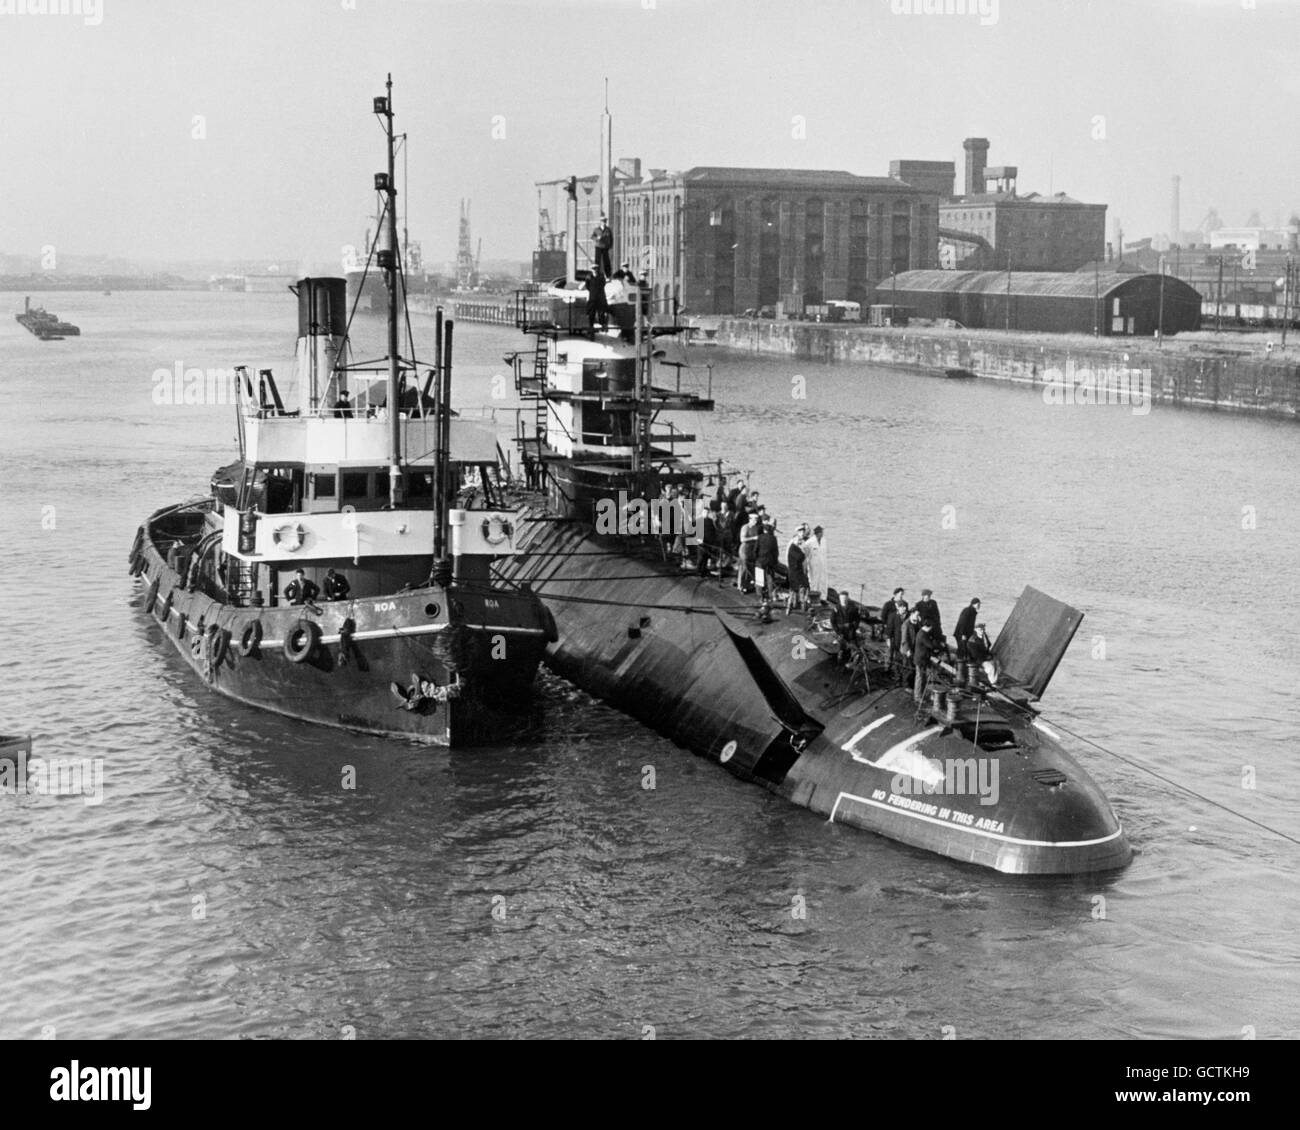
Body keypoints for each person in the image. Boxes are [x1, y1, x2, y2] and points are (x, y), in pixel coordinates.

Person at [914, 621, 941, 704]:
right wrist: (939, 646)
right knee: (920, 678)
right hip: (921, 660)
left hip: (923, 659)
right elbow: (931, 645)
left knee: (923, 678)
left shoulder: (922, 633)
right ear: (928, 627)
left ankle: (921, 695)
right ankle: (918, 697)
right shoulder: (923, 635)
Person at [785, 525, 809, 612]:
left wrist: (805, 569)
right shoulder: (792, 544)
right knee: (796, 587)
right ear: (798, 532)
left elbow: (806, 557)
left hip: (801, 568)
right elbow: (788, 555)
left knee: (802, 587)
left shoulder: (803, 543)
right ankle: (793, 604)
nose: (802, 534)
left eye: (803, 532)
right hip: (794, 569)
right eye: (801, 532)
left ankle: (799, 603)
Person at [883, 588, 909, 667]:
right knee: (889, 654)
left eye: (905, 607)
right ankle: (887, 669)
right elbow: (889, 627)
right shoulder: (892, 614)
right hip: (894, 637)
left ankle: (897, 671)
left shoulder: (907, 616)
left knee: (899, 656)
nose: (904, 609)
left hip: (902, 638)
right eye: (902, 607)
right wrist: (888, 638)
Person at [804, 525, 828, 603]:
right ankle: (813, 598)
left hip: (822, 565)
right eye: (821, 532)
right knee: (814, 582)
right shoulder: (809, 542)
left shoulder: (824, 541)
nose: (822, 533)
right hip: (813, 566)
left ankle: (823, 598)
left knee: (823, 582)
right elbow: (805, 555)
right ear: (817, 533)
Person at [756, 521, 779, 600]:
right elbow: (776, 551)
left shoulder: (760, 537)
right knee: (770, 578)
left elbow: (756, 549)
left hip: (760, 560)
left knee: (759, 578)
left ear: (764, 530)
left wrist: (755, 558)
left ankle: (760, 596)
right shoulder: (774, 539)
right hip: (770, 561)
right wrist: (775, 561)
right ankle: (770, 594)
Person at [737, 515, 760, 594]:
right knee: (744, 567)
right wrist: (753, 538)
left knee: (751, 566)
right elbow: (742, 539)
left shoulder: (756, 528)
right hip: (745, 549)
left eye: (757, 519)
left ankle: (748, 585)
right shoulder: (745, 527)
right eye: (754, 519)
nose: (756, 521)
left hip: (752, 549)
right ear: (750, 519)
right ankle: (741, 586)